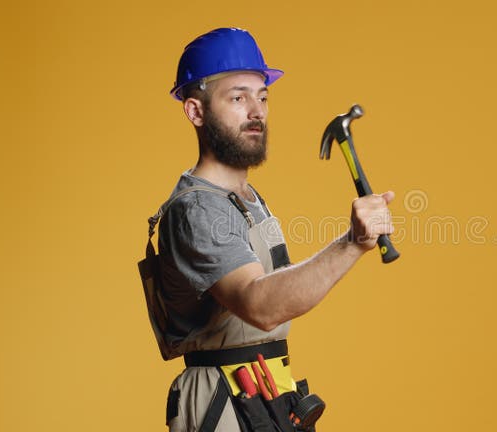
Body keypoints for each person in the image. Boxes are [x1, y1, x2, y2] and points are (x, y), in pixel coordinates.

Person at [144, 28, 395, 432]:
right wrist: (351, 244)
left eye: (262, 97)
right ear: (196, 111)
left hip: (266, 391)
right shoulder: (196, 208)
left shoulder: (246, 197)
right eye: (238, 97)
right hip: (221, 402)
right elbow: (259, 306)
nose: (256, 111)